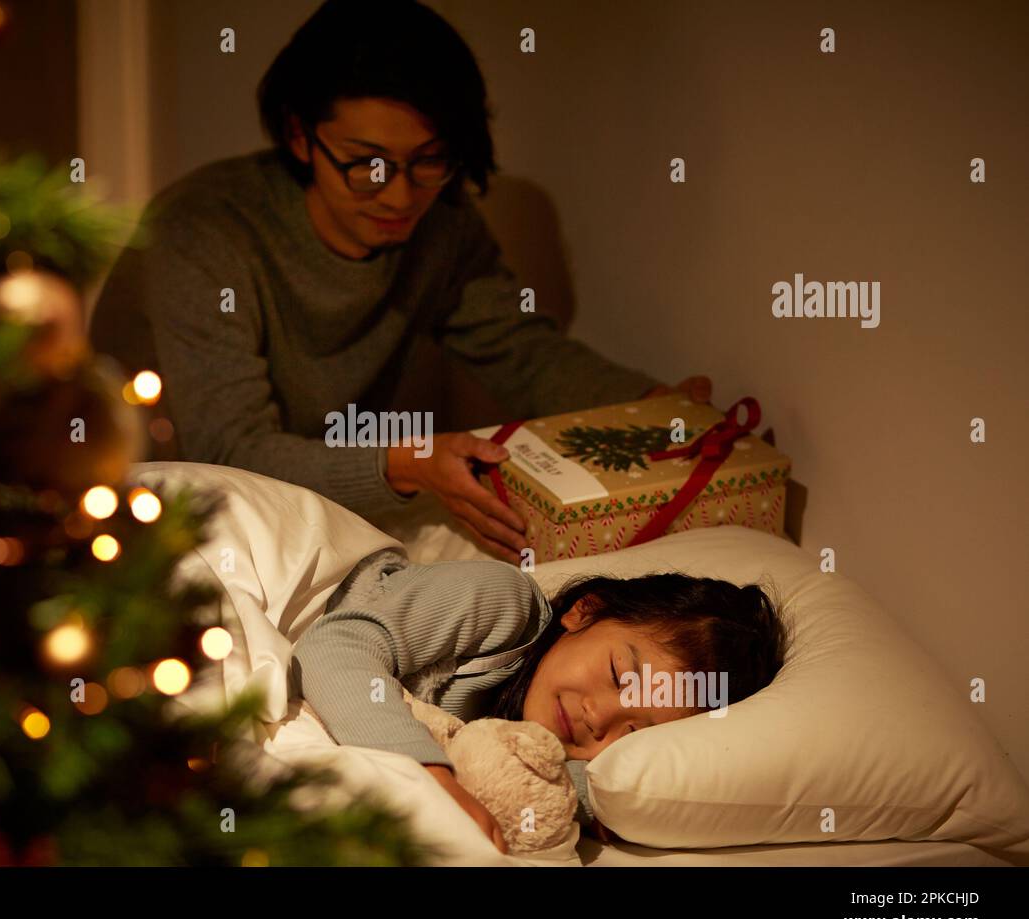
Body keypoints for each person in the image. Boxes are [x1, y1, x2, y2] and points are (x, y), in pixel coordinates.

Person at [90, 0, 712, 561]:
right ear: (300, 136)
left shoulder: (442, 224)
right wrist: (405, 462)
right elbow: (227, 452)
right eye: (367, 165)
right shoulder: (202, 231)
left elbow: (525, 353)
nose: (400, 195)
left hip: (321, 505)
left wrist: (654, 405)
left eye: (429, 160)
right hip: (150, 507)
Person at [288, 550, 788, 852]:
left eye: (632, 733)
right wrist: (429, 774)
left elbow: (584, 789)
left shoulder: (538, 747)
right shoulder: (501, 603)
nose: (599, 718)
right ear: (585, 611)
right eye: (619, 675)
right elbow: (335, 647)